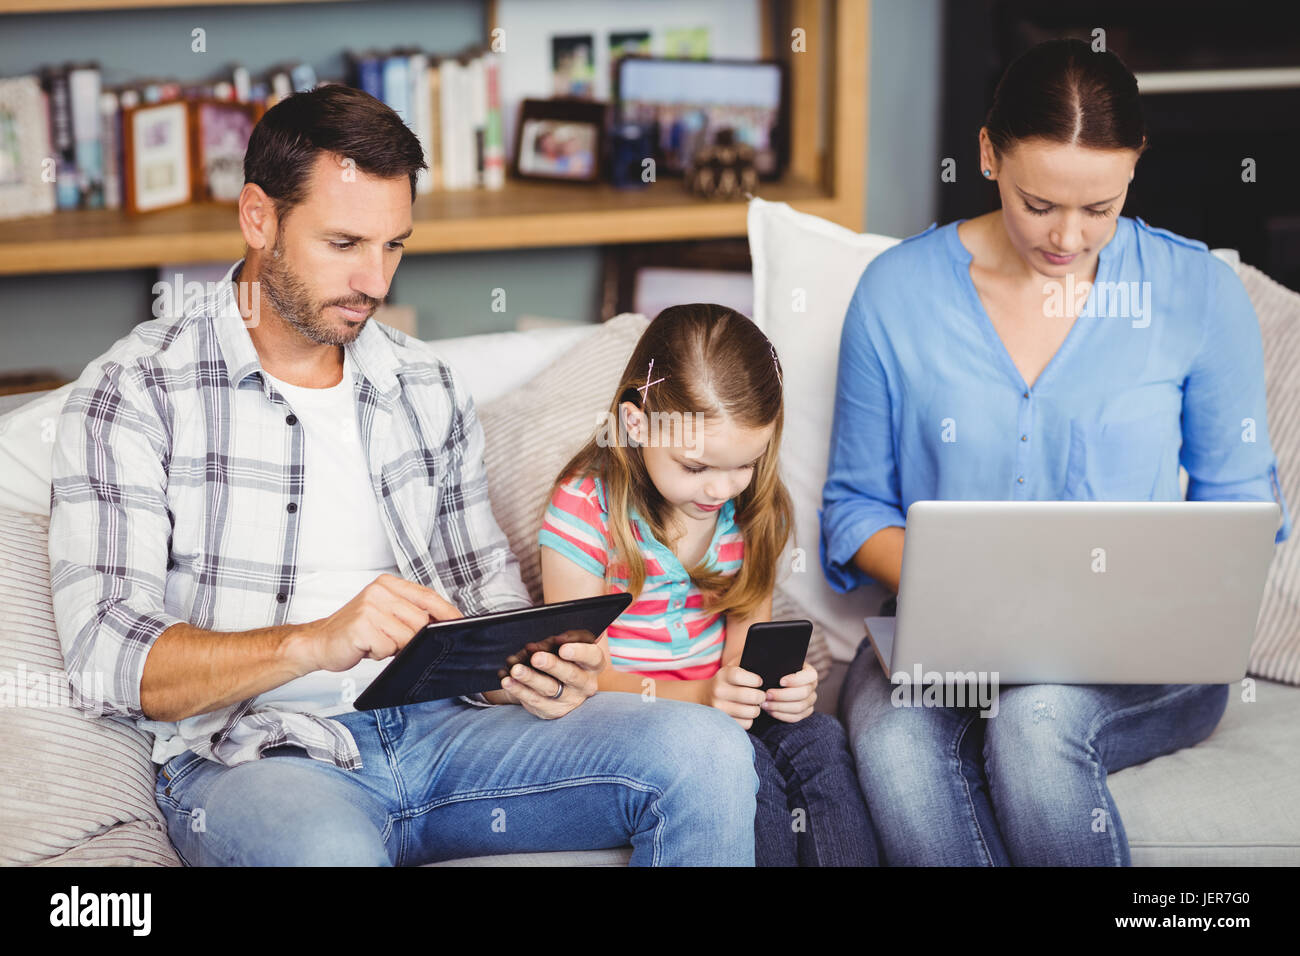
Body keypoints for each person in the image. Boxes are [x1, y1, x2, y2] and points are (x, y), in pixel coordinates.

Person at [47, 85, 757, 867]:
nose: (376, 283)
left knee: (706, 750)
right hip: (260, 757)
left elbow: (488, 598)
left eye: (394, 247)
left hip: (450, 733)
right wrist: (317, 641)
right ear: (259, 217)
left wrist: (533, 670)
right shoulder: (137, 389)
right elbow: (109, 659)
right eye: (344, 244)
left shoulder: (427, 386)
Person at [821, 38, 1291, 866]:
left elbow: (1241, 511)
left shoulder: (1198, 295)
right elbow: (854, 509)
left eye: (1099, 209)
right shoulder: (895, 293)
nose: (1068, 238)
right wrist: (973, 585)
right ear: (987, 155)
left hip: (1141, 656)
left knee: (1036, 723)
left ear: (1135, 169)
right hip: (942, 637)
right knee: (896, 751)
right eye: (1038, 204)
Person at [538, 304, 877, 866]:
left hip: (720, 703)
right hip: (627, 715)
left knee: (818, 739)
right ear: (635, 423)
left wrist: (774, 686)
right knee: (747, 771)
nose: (721, 488)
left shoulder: (752, 510)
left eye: (743, 463)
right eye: (695, 467)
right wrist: (702, 699)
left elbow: (746, 638)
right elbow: (582, 678)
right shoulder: (584, 508)